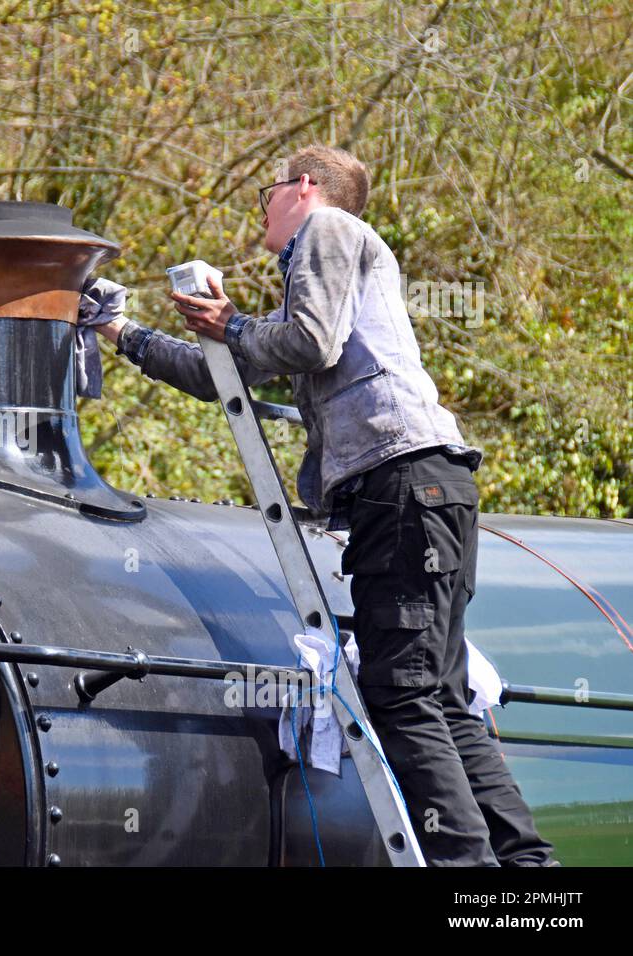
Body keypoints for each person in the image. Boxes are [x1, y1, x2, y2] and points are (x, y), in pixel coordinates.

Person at [93, 144, 556, 867]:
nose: (262, 211)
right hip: (423, 489)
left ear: (303, 188)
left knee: (400, 694)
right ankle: (527, 874)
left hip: (400, 485)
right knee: (438, 697)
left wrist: (233, 327)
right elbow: (232, 373)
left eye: (267, 194)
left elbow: (307, 343)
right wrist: (122, 335)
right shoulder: (318, 283)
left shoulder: (330, 231)